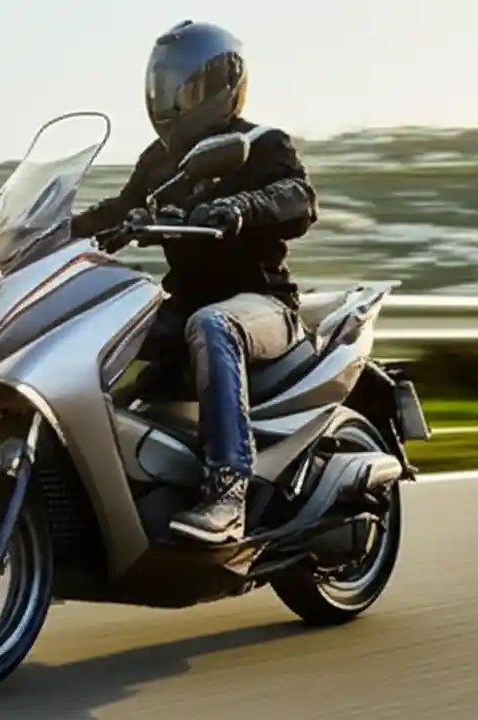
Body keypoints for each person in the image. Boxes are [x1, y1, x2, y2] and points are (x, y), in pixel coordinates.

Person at [71, 20, 319, 544]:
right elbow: (119, 209)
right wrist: (50, 229)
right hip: (181, 307)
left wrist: (240, 206)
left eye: (183, 82)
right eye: (164, 81)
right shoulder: (159, 162)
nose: (169, 94)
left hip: (261, 307)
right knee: (97, 330)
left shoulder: (259, 144)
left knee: (214, 323)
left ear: (219, 85)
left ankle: (228, 491)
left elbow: (299, 198)